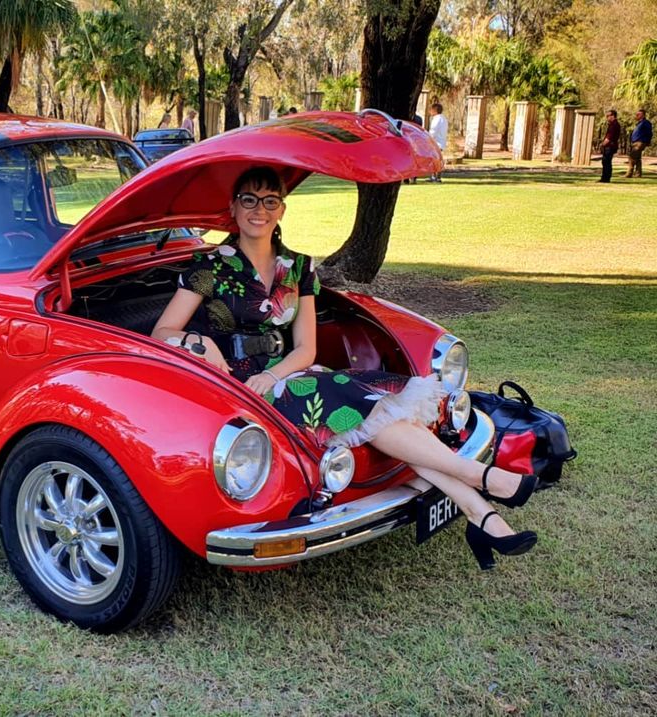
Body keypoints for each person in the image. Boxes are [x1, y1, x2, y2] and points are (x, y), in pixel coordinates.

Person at [151, 166, 539, 570]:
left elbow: (306, 348)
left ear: (281, 209)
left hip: (290, 374)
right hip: (239, 384)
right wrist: (200, 342)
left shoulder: (299, 267)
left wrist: (274, 375)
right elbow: (163, 331)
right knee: (378, 415)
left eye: (269, 201)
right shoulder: (208, 266)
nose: (259, 210)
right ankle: (483, 492)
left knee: (378, 417)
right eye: (249, 200)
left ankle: (481, 510)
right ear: (233, 207)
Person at [625, 109, 651, 178]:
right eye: (636, 114)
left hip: (640, 142)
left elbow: (649, 133)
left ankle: (629, 173)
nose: (636, 115)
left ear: (643, 115)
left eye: (638, 114)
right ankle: (638, 174)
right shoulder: (639, 124)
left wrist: (647, 142)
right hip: (635, 143)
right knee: (637, 159)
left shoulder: (645, 123)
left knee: (631, 157)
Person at [599, 109, 621, 183]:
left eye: (608, 116)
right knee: (606, 161)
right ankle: (605, 177)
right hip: (611, 146)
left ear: (613, 116)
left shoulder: (614, 125)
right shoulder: (613, 124)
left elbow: (609, 137)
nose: (607, 117)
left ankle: (606, 178)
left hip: (610, 146)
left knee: (606, 162)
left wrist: (602, 144)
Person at [428, 103, 448, 182]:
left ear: (435, 110)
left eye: (431, 110)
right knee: (437, 159)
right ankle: (437, 177)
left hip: (436, 142)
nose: (430, 112)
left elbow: (433, 130)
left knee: (434, 160)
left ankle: (435, 177)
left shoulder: (436, 119)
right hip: (441, 142)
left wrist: (428, 138)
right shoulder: (443, 119)